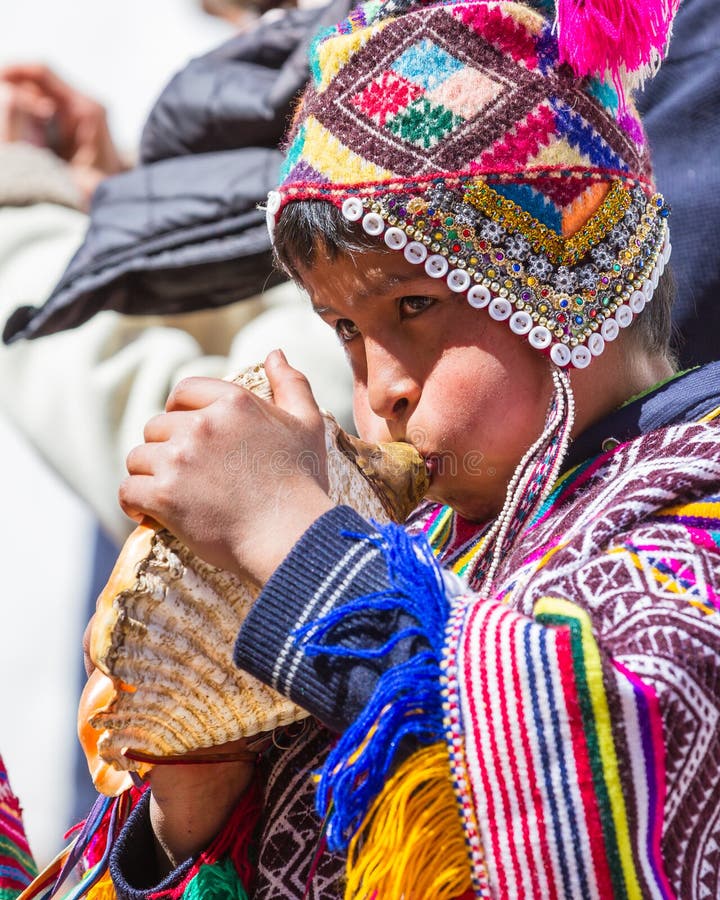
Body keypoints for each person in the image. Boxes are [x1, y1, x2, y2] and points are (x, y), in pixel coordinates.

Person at [26, 0, 720, 897]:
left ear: (575, 275)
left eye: (415, 306)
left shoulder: (692, 510)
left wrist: (289, 530)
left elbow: (602, 761)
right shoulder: (427, 547)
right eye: (345, 329)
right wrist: (198, 805)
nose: (382, 390)